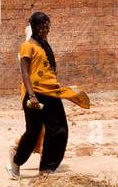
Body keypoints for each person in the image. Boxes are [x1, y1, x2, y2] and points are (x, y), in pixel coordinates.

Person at [8, 12, 90, 178]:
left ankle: (46, 168)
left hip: (51, 93)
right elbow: (25, 73)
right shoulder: (27, 46)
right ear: (35, 28)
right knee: (33, 132)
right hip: (35, 95)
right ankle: (16, 162)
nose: (46, 30)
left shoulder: (44, 46)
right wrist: (31, 96)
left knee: (58, 130)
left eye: (47, 27)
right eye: (43, 27)